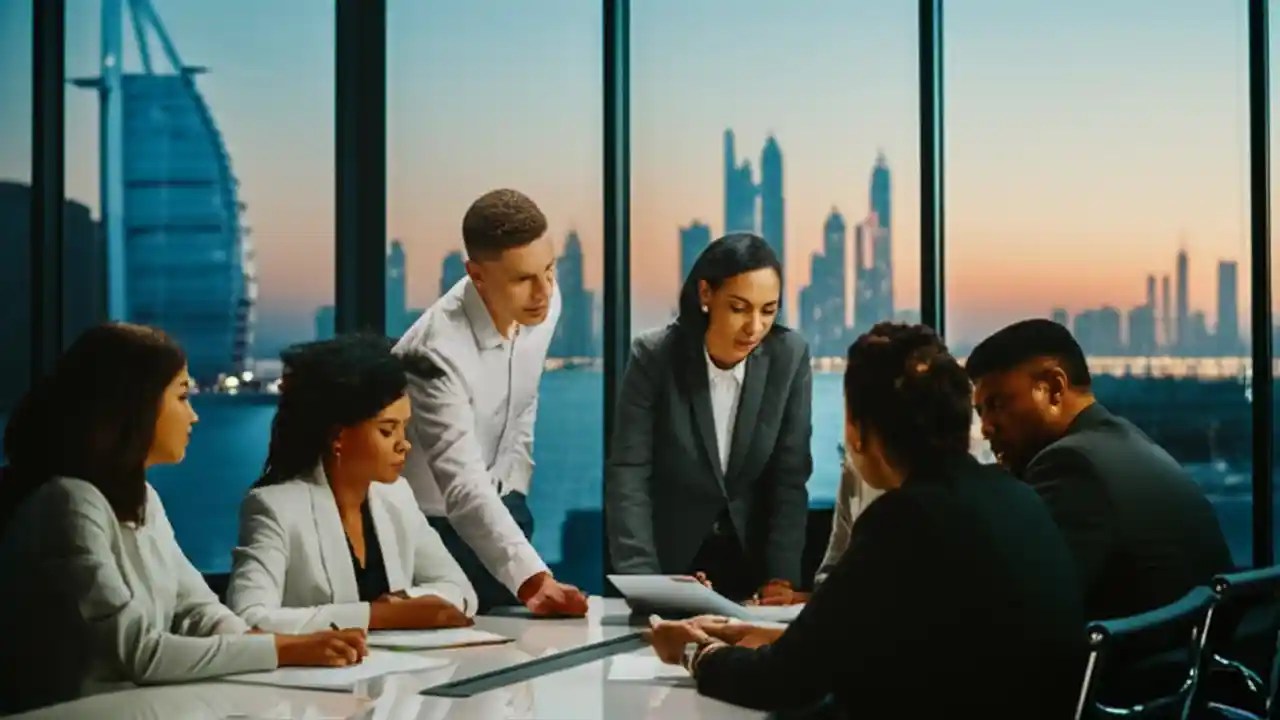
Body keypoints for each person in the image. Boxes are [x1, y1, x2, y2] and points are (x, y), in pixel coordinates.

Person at [647, 323, 1086, 717]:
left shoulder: (905, 520)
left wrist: (691, 651)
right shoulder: (1016, 499)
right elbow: (862, 643)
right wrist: (750, 633)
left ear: (859, 430)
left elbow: (783, 681)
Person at [0, 324, 367, 714]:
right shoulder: (68, 502)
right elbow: (141, 652)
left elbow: (196, 608)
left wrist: (257, 641)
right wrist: (282, 648)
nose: (193, 416)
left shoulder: (143, 500)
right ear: (135, 405)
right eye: (181, 396)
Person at [392, 189, 587, 616]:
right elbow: (461, 485)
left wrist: (517, 483)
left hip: (505, 505)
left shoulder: (545, 304)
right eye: (522, 279)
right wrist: (534, 577)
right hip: (433, 529)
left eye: (550, 270)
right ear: (476, 275)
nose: (544, 291)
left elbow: (523, 400)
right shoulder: (435, 352)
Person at [966, 318, 1233, 620]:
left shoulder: (1070, 466)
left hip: (1136, 663)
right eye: (980, 412)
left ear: (1054, 388)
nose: (986, 427)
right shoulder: (1126, 443)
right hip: (1188, 654)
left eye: (999, 404)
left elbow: (1025, 605)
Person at [607, 233, 812, 602]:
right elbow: (629, 476)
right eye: (739, 308)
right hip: (669, 564)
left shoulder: (789, 357)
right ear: (706, 295)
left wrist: (781, 579)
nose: (754, 327)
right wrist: (646, 582)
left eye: (768, 310)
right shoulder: (654, 357)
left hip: (756, 574)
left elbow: (790, 478)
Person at [228, 335, 477, 633]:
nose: (405, 445)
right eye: (387, 431)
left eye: (404, 428)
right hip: (315, 677)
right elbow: (246, 619)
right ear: (338, 437)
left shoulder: (396, 496)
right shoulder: (275, 508)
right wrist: (378, 616)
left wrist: (405, 602)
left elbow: (460, 590)